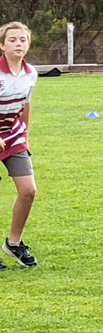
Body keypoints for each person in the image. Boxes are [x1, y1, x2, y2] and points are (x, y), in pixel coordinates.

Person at [0, 22, 40, 269]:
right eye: (12, 40)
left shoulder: (30, 73)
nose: (18, 44)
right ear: (2, 45)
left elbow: (25, 105)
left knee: (28, 190)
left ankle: (14, 243)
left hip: (12, 137)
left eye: (22, 40)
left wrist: (23, 134)